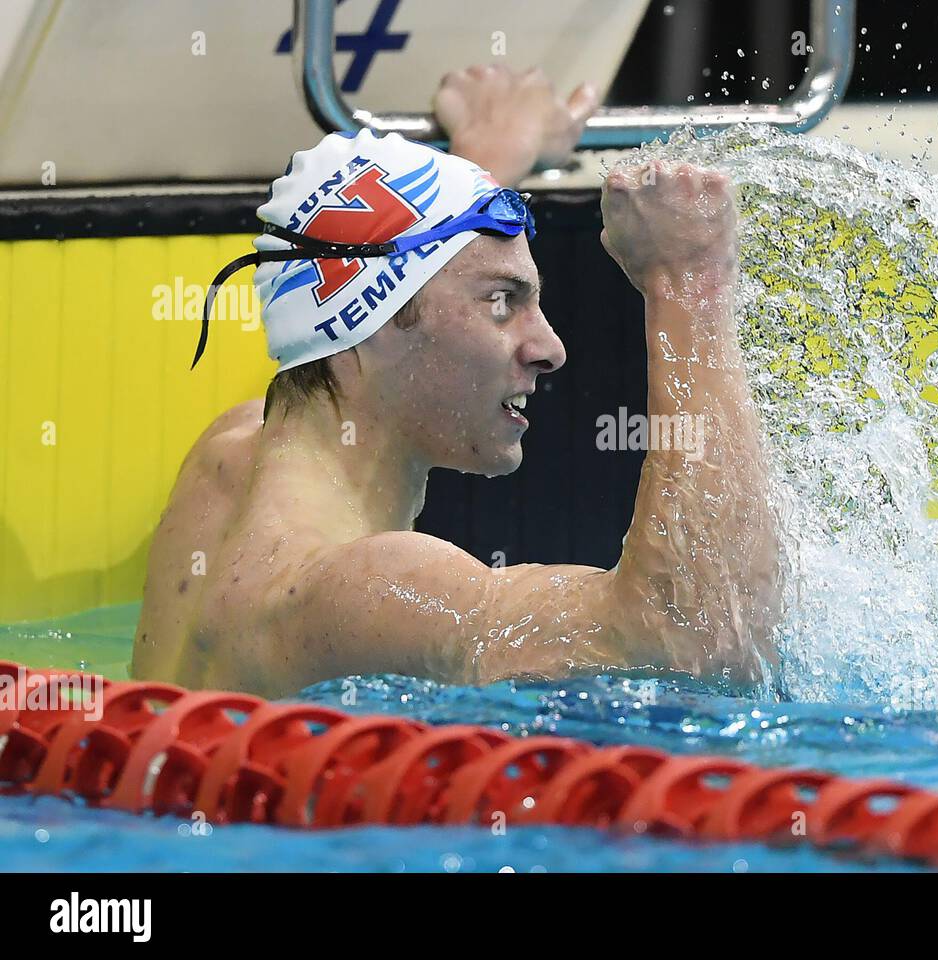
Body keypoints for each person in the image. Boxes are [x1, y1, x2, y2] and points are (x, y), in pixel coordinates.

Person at [132, 65, 783, 698]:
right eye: (503, 302)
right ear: (383, 324)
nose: (550, 348)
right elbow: (696, 645)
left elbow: (382, 285)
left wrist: (479, 162)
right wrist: (690, 278)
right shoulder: (358, 588)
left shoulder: (231, 454)